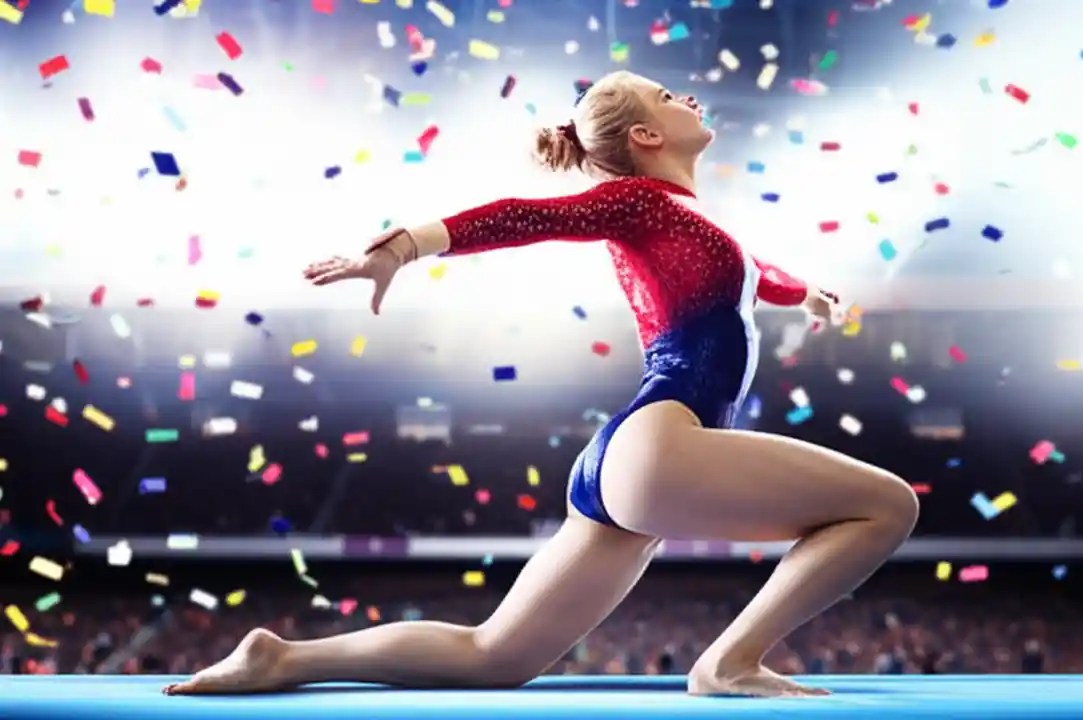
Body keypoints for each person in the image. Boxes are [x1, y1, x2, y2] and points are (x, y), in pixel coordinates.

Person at [164, 70, 918, 699]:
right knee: (886, 505)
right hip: (665, 440)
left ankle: (286, 658)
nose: (687, 97)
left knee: (492, 657)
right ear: (644, 138)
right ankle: (729, 662)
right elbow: (525, 215)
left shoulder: (687, 220)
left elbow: (758, 275)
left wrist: (808, 295)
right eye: (665, 96)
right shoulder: (640, 202)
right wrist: (402, 247)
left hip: (632, 461)